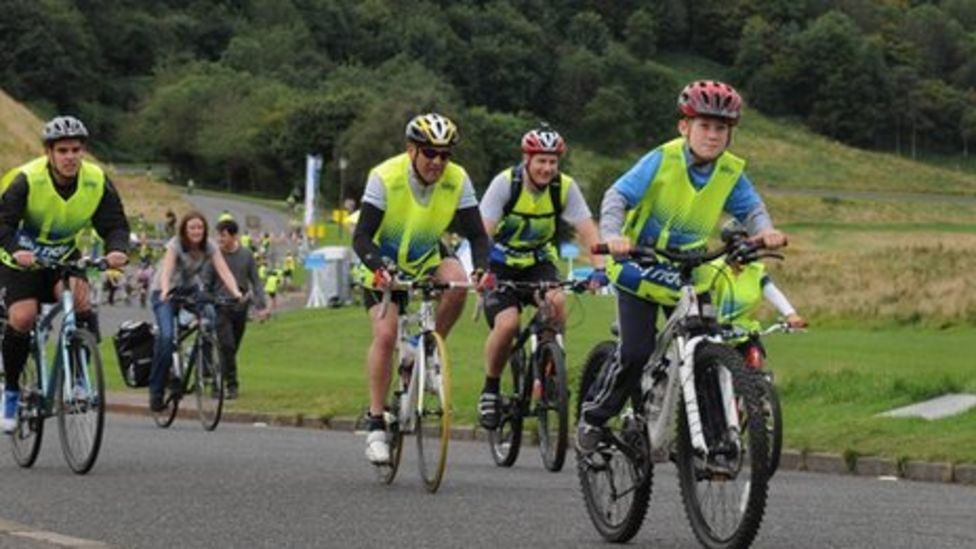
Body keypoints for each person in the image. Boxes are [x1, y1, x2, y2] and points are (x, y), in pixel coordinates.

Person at [577, 81, 789, 453]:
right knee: (637, 351)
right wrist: (612, 235)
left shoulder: (729, 171)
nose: (712, 135)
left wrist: (765, 231)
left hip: (690, 268)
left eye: (721, 128)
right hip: (639, 264)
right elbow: (617, 195)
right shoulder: (663, 159)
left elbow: (751, 209)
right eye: (704, 126)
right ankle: (594, 416)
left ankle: (714, 440)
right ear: (684, 127)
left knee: (708, 341)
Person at [353, 112, 491, 464]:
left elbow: (477, 234)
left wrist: (483, 269)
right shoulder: (385, 176)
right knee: (385, 335)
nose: (438, 162)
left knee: (458, 281)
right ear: (411, 150)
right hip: (381, 263)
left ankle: (423, 351)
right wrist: (378, 268)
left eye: (446, 155)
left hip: (426, 257)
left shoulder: (457, 179)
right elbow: (362, 235)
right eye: (430, 153)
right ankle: (374, 423)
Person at [0, 115, 130, 432]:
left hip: (63, 256)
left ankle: (81, 377)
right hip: (21, 259)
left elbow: (114, 224)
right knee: (23, 318)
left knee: (82, 304)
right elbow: (2, 223)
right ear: (49, 153)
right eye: (63, 151)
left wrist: (117, 248)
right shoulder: (25, 179)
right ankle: (12, 390)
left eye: (76, 150)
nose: (70, 157)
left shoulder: (96, 180)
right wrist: (18, 248)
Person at [476, 124, 608, 429]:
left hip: (538, 263)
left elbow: (587, 230)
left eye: (552, 162)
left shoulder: (564, 187)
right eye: (541, 161)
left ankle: (550, 374)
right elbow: (482, 234)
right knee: (508, 324)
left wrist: (600, 268)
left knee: (557, 303)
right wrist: (481, 272)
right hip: (500, 265)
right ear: (527, 159)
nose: (547, 168)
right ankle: (491, 389)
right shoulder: (505, 184)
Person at [148, 211, 243, 412]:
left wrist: (235, 292)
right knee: (166, 339)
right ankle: (156, 390)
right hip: (163, 292)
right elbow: (166, 269)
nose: (196, 231)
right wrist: (165, 290)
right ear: (184, 229)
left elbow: (224, 270)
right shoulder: (175, 245)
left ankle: (201, 354)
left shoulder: (209, 246)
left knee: (209, 313)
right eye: (192, 227)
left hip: (189, 290)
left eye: (200, 227)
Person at [709, 220, 807, 357]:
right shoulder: (714, 269)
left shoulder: (756, 272)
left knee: (754, 358)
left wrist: (791, 314)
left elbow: (772, 292)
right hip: (713, 333)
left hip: (745, 333)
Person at [202, 219, 269, 400]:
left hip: (240, 308)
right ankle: (231, 385)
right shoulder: (213, 256)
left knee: (231, 349)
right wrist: (208, 301)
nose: (219, 239)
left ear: (233, 236)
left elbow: (255, 281)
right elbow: (206, 283)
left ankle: (217, 381)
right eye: (218, 235)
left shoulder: (246, 255)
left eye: (223, 236)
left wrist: (261, 305)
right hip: (220, 307)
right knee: (227, 345)